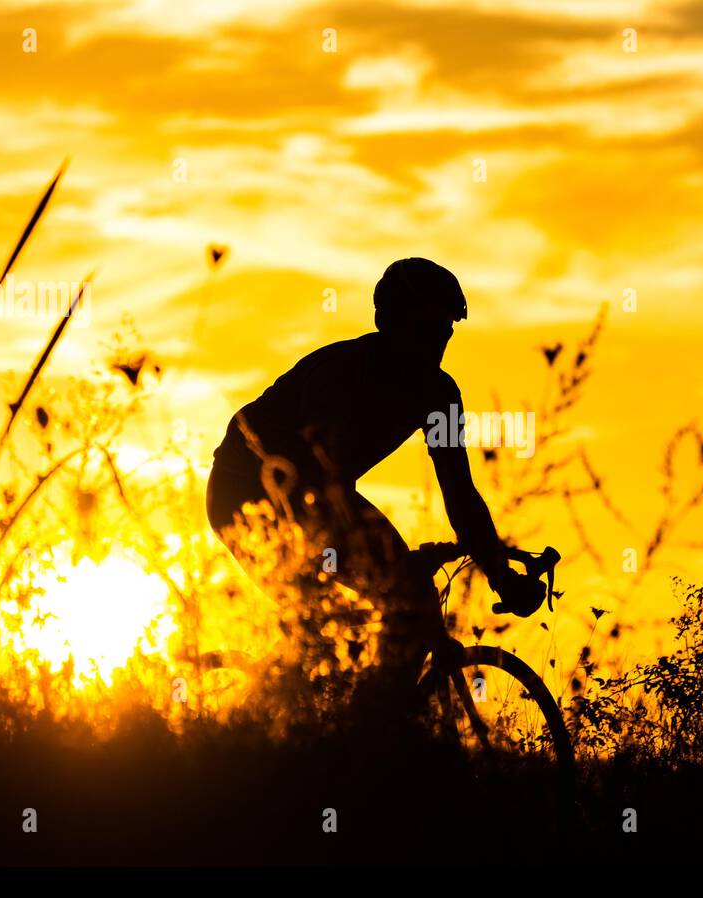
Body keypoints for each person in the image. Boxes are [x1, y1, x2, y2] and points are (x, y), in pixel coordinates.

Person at [206, 257, 543, 700]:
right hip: (244, 494)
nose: (437, 344)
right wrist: (395, 563)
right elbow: (321, 483)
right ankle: (298, 727)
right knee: (332, 617)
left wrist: (499, 572)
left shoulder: (439, 395)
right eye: (426, 330)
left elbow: (459, 490)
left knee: (409, 605)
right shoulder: (341, 374)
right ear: (390, 324)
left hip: (324, 496)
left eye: (446, 331)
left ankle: (375, 730)